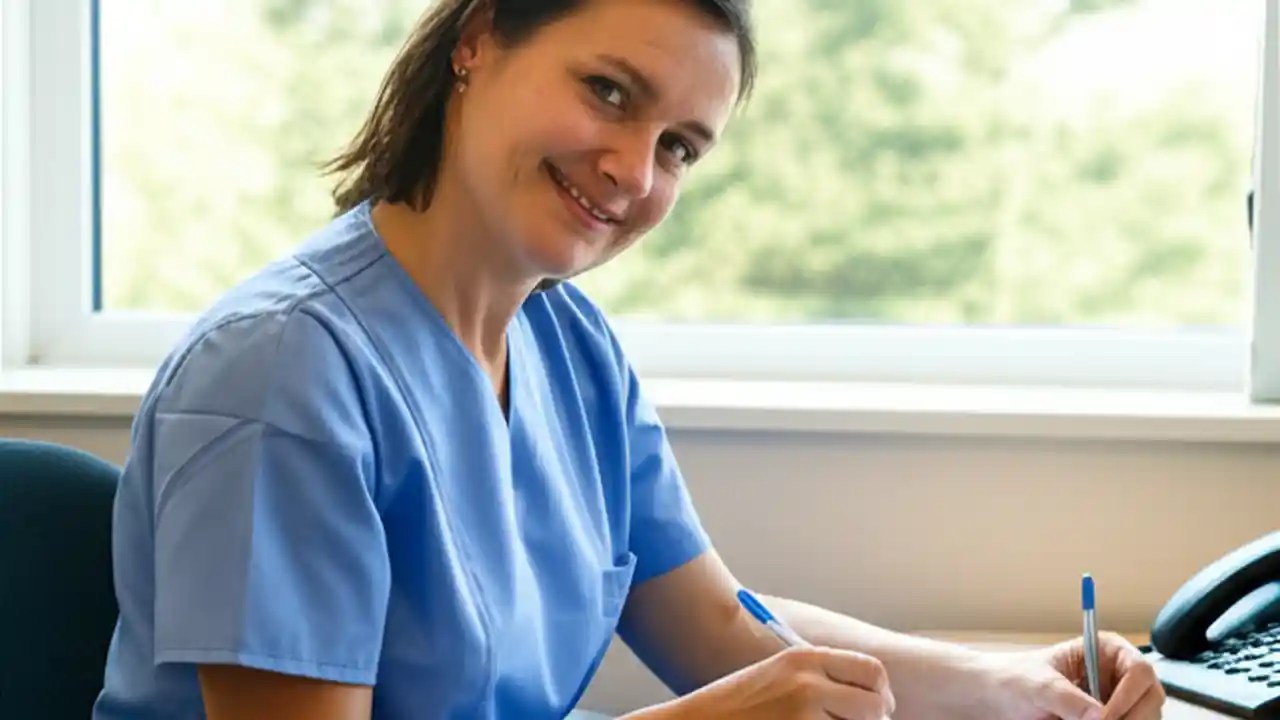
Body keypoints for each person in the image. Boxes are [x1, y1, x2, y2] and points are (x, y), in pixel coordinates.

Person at [92, 0, 1166, 718]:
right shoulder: (278, 373)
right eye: (608, 92)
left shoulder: (569, 346)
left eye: (679, 148)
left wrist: (1009, 683)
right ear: (477, 40)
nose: (631, 170)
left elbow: (713, 618)